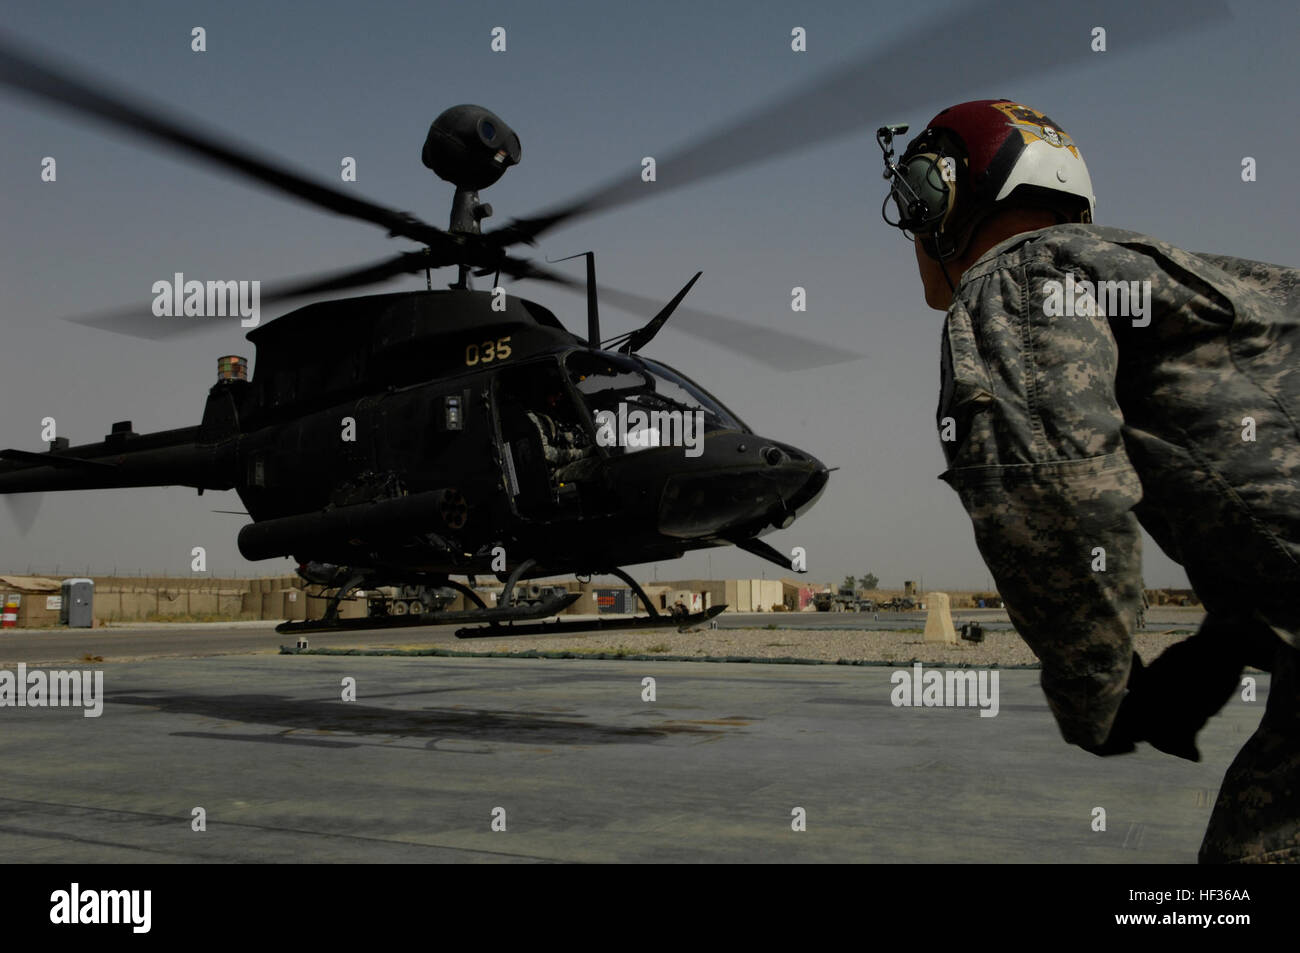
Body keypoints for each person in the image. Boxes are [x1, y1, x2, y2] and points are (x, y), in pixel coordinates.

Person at [878, 100, 1300, 863]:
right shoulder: (1222, 281)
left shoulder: (1017, 278)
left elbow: (1052, 486)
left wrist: (1098, 688)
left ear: (937, 198)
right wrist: (1226, 641)